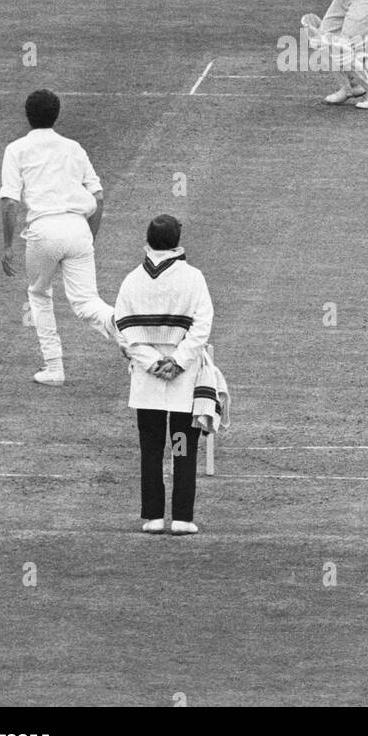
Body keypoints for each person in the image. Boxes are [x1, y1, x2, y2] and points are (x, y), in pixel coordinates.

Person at [0, 89, 116, 385]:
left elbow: (10, 202)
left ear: (27, 115)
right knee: (87, 303)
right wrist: (89, 238)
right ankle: (133, 337)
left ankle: (54, 368)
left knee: (39, 294)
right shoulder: (74, 148)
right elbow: (98, 197)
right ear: (57, 114)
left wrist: (7, 246)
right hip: (77, 228)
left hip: (43, 230)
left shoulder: (16, 149)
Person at [112, 215, 213, 535]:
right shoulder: (193, 277)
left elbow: (123, 330)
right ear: (177, 241)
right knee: (182, 445)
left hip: (147, 378)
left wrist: (153, 363)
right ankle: (182, 518)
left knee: (152, 447)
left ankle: (153, 517)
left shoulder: (131, 280)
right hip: (182, 376)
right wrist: (179, 361)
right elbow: (202, 326)